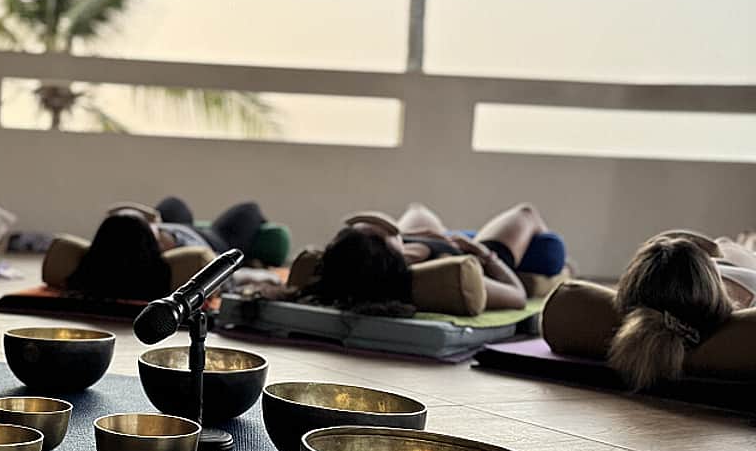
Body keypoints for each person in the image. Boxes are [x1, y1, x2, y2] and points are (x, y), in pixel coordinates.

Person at [313, 202, 564, 311]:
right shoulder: (450, 272)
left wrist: (412, 235)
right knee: (527, 213)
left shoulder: (376, 257)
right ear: (387, 248)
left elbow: (364, 226)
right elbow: (517, 296)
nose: (391, 228)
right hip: (486, 252)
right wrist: (485, 255)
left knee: (418, 209)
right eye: (387, 232)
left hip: (449, 239)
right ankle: (561, 271)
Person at [608, 231, 756, 389]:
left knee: (731, 244)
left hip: (719, 262)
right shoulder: (695, 281)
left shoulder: (665, 288)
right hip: (718, 263)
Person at [65, 198, 268, 300]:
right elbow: (227, 279)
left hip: (166, 227)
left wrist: (152, 224)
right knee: (249, 209)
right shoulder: (188, 260)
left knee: (173, 202)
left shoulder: (102, 256)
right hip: (211, 239)